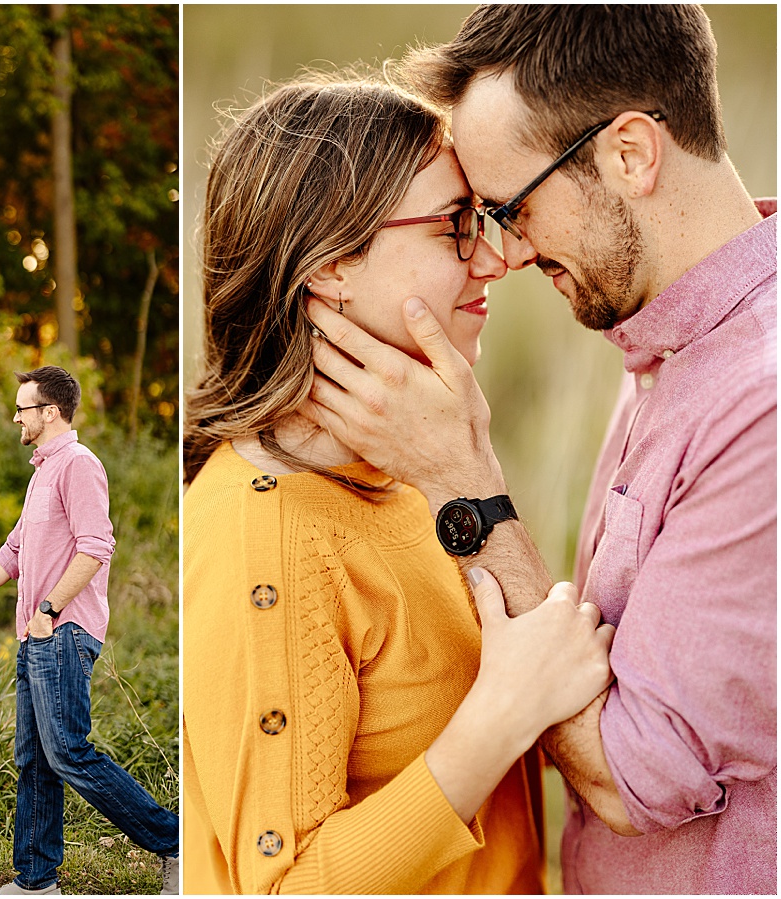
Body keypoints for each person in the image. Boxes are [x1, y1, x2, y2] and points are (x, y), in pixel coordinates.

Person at [301, 6, 776, 894]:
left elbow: (634, 780)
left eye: (513, 208)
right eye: (478, 218)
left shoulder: (762, 403)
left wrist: (463, 484)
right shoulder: (666, 343)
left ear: (630, 153)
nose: (506, 253)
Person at [182, 72, 617, 895]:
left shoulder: (413, 467)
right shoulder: (261, 536)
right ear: (334, 264)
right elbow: (282, 886)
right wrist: (501, 715)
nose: (498, 254)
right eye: (456, 226)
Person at [0, 366, 179, 896]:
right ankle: (35, 882)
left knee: (67, 753)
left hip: (62, 630)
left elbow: (97, 546)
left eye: (22, 408)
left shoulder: (79, 465)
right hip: (36, 635)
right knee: (33, 759)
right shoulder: (42, 473)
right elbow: (12, 555)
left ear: (49, 412)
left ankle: (175, 842)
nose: (15, 416)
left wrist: (50, 609)